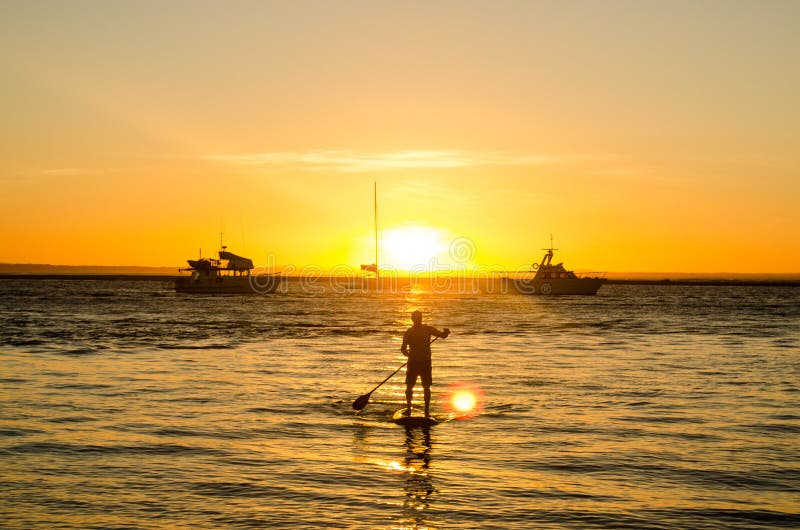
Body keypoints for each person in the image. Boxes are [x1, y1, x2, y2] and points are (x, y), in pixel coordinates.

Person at [401, 310, 450, 417]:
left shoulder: (428, 329)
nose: (418, 320)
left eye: (419, 318)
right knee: (410, 387)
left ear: (421, 318)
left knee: (425, 387)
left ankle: (426, 411)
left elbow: (442, 336)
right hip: (413, 362)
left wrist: (446, 332)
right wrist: (409, 356)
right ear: (413, 319)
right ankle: (409, 408)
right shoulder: (409, 332)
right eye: (416, 318)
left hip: (425, 362)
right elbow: (403, 349)